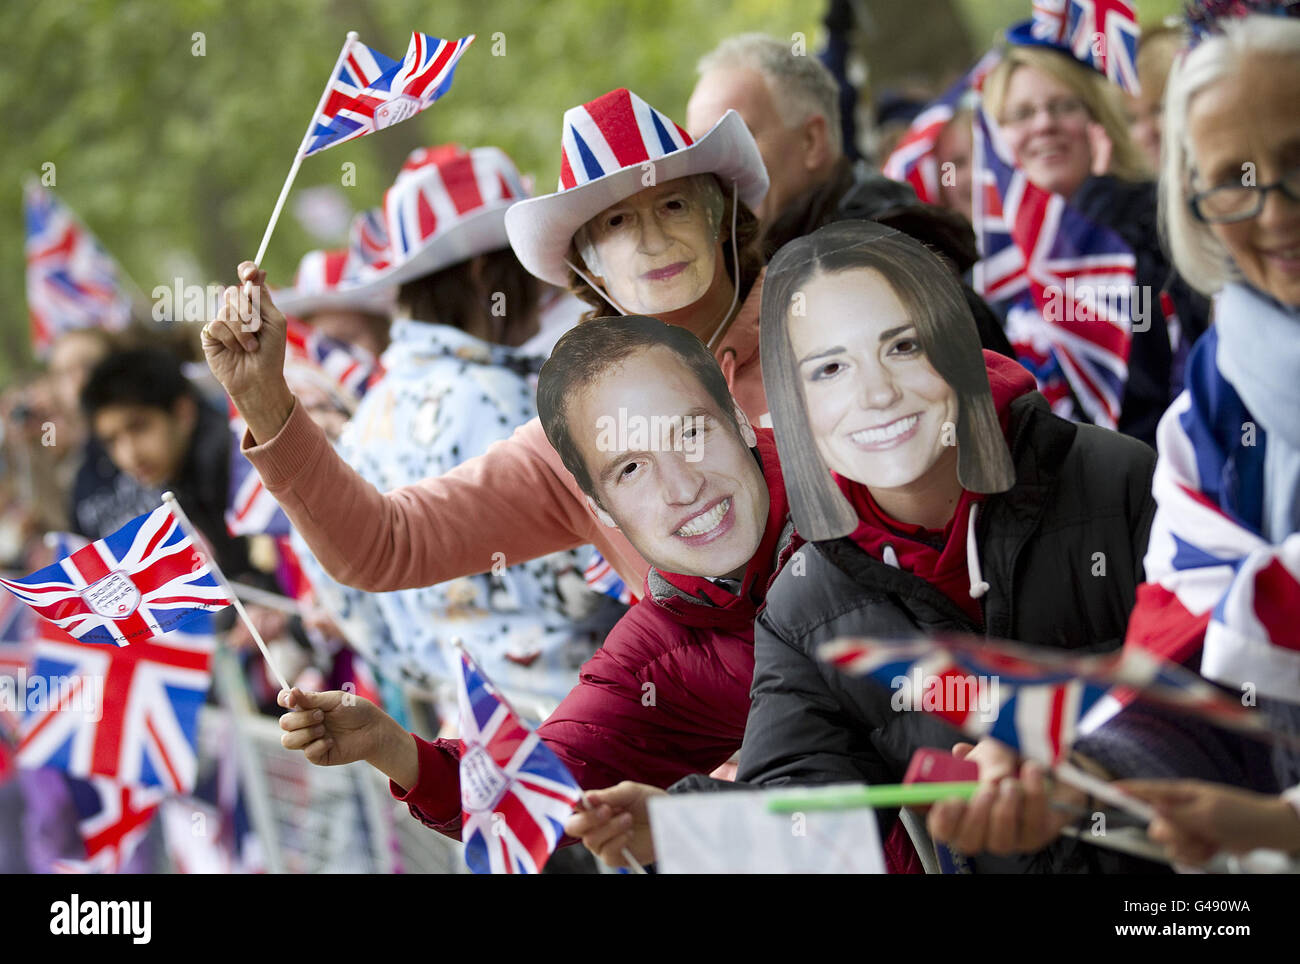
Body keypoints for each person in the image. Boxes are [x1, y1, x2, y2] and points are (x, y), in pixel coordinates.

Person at [566, 221, 1160, 873]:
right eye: (828, 369)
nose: (875, 394)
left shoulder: (1121, 479)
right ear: (793, 408)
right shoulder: (804, 605)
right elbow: (807, 817)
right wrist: (686, 831)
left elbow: (1237, 686)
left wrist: (1059, 738)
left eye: (904, 346)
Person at [200, 88, 768, 608]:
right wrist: (264, 400)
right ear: (584, 259)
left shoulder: (821, 322)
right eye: (617, 221)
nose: (652, 240)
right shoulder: (570, 436)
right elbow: (380, 546)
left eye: (673, 205)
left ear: (719, 215)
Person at [276, 315, 796, 838]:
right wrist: (391, 748)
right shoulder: (658, 654)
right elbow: (533, 798)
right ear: (601, 508)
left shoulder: (858, 486)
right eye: (630, 469)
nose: (681, 486)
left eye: (691, 432)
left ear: (739, 419)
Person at [287, 144, 618, 713]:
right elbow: (605, 572)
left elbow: (345, 592)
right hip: (592, 723)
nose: (542, 293)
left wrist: (445, 673)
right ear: (482, 271)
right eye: (526, 268)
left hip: (467, 737)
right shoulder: (522, 401)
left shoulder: (366, 420)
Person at [685, 33, 1014, 357]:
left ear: (811, 141)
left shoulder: (891, 270)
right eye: (700, 147)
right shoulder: (727, 292)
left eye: (736, 137)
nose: (712, 168)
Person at [981, 34, 1209, 446]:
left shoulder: (1157, 219)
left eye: (1063, 106)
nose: (1043, 123)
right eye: (1021, 114)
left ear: (1098, 119)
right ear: (998, 139)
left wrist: (1098, 214)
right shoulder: (994, 264)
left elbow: (1147, 362)